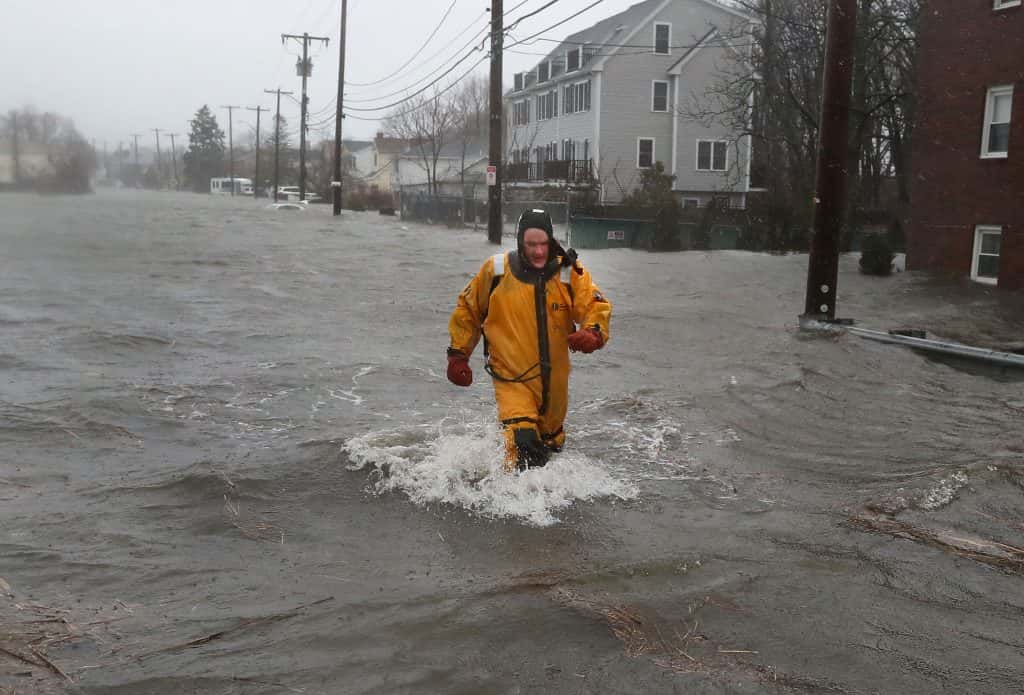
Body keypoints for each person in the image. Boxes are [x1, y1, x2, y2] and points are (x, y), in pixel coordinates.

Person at [446, 209, 612, 472]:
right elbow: (468, 310)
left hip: (555, 388)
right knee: (521, 442)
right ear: (520, 242)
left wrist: (593, 332)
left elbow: (595, 305)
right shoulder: (497, 271)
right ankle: (507, 507)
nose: (538, 251)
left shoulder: (569, 273)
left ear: (551, 241)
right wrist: (458, 354)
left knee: (549, 453)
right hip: (512, 379)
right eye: (531, 244)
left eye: (543, 244)